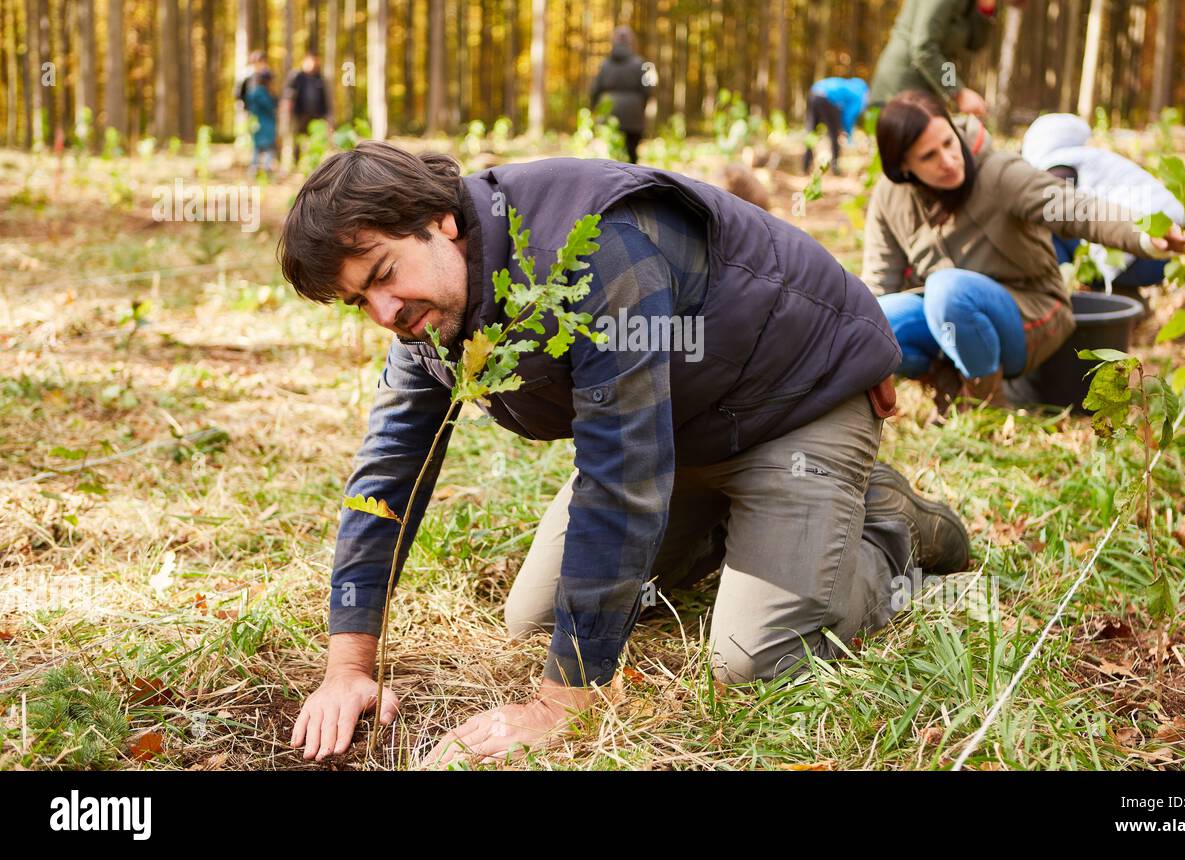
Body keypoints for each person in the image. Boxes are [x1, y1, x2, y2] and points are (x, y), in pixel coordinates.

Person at [278, 142, 971, 765]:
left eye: (383, 273)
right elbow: (388, 470)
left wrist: (561, 705)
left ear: (442, 221)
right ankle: (748, 528)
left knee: (754, 659)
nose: (384, 312)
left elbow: (623, 474)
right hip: (680, 430)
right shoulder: (428, 317)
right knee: (540, 620)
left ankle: (887, 526)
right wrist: (349, 665)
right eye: (357, 300)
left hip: (795, 406)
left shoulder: (590, 248)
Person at [861, 91, 1185, 413]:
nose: (948, 161)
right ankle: (948, 382)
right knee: (878, 323)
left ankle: (986, 407)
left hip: (1029, 311)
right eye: (928, 156)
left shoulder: (999, 173)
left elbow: (1075, 208)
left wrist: (1143, 236)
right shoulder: (890, 198)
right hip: (948, 316)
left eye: (948, 143)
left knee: (949, 292)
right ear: (903, 167)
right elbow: (879, 283)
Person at [869, 0, 1031, 118]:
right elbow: (924, 48)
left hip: (923, 92)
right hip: (897, 94)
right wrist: (958, 91)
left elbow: (974, 44)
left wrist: (986, 6)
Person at [1021, 112, 1182, 300]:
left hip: (1145, 251)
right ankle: (1122, 295)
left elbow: (1052, 208)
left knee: (1047, 226)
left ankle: (1061, 296)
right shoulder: (1092, 158)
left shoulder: (1060, 164)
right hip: (1167, 246)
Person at [589, 27, 655, 163]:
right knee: (632, 156)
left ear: (613, 41)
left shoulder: (604, 64)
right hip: (633, 116)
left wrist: (596, 108)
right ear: (631, 42)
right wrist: (640, 108)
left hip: (608, 112)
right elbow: (648, 91)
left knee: (607, 157)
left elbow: (594, 90)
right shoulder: (642, 64)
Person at [802, 76, 870, 175]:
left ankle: (805, 164)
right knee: (834, 134)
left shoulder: (848, 86)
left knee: (811, 131)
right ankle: (835, 167)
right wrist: (848, 134)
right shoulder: (860, 95)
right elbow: (849, 116)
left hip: (814, 92)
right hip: (827, 98)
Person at [285, 50, 332, 163]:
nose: (314, 64)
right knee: (298, 138)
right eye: (312, 61)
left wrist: (327, 115)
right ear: (305, 61)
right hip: (299, 114)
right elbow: (289, 95)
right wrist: (288, 112)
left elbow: (325, 98)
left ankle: (313, 161)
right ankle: (296, 161)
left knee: (315, 138)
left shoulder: (319, 77)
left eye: (316, 61)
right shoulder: (297, 76)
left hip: (316, 115)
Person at [246, 69, 279, 179]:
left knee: (258, 148)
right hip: (265, 124)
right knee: (268, 148)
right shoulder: (262, 93)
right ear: (266, 81)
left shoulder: (255, 92)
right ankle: (265, 169)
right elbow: (270, 107)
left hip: (259, 124)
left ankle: (256, 169)